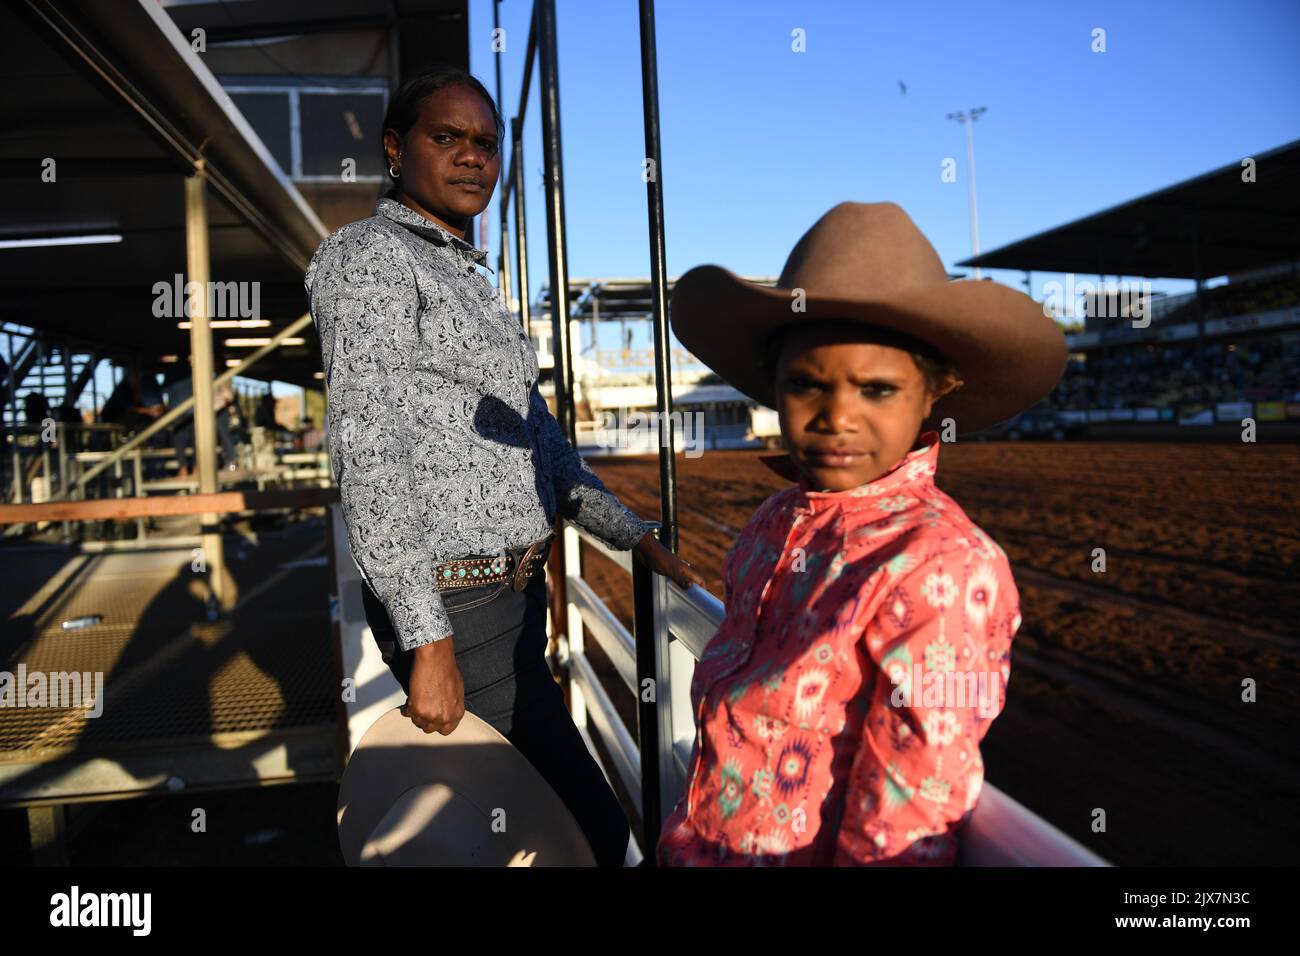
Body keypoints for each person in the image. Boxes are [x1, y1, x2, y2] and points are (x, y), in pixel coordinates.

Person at [304, 64, 703, 867]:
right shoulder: (369, 259)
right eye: (445, 137)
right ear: (394, 149)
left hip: (505, 601)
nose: (471, 157)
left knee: (537, 833)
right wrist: (429, 641)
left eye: (486, 143)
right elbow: (370, 450)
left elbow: (543, 445)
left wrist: (631, 537)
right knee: (587, 829)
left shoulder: (464, 275)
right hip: (460, 605)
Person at [657, 201, 1067, 866]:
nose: (837, 416)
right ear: (774, 388)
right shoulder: (772, 522)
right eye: (806, 386)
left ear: (936, 392)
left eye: (875, 390)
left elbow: (911, 800)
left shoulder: (945, 565)